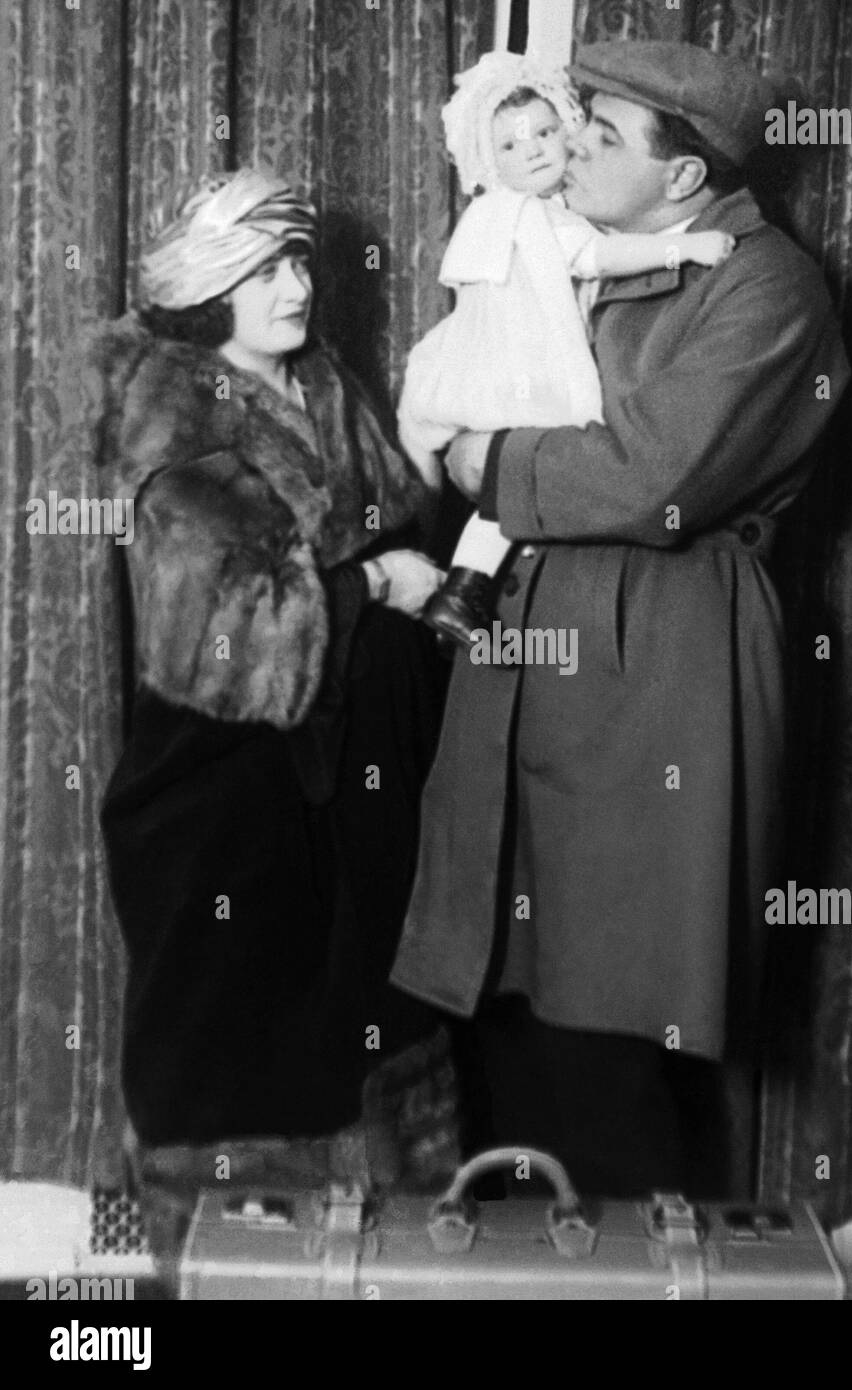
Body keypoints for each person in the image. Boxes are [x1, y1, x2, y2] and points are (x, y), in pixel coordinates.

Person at [391, 43, 852, 1198]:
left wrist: (483, 455)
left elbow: (653, 476)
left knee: (612, 1011)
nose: (567, 144)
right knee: (498, 990)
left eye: (598, 134)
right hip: (527, 638)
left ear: (684, 179)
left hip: (655, 660)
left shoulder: (766, 285)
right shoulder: (559, 244)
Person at [94, 168, 451, 1163]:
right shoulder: (174, 416)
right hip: (220, 772)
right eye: (260, 269)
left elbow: (394, 520)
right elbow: (227, 628)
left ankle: (357, 1243)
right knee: (223, 1016)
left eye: (295, 260)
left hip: (347, 763)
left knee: (353, 1008)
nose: (292, 286)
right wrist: (374, 590)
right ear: (211, 288)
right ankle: (200, 1248)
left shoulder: (324, 378)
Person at [397, 51, 734, 646]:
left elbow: (647, 479)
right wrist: (688, 249)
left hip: (626, 606)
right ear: (488, 160)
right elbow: (599, 258)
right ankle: (453, 580)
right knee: (509, 486)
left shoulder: (500, 216)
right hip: (524, 371)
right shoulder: (541, 218)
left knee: (499, 496)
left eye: (552, 132)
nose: (541, 151)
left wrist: (486, 462)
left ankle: (457, 583)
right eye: (511, 146)